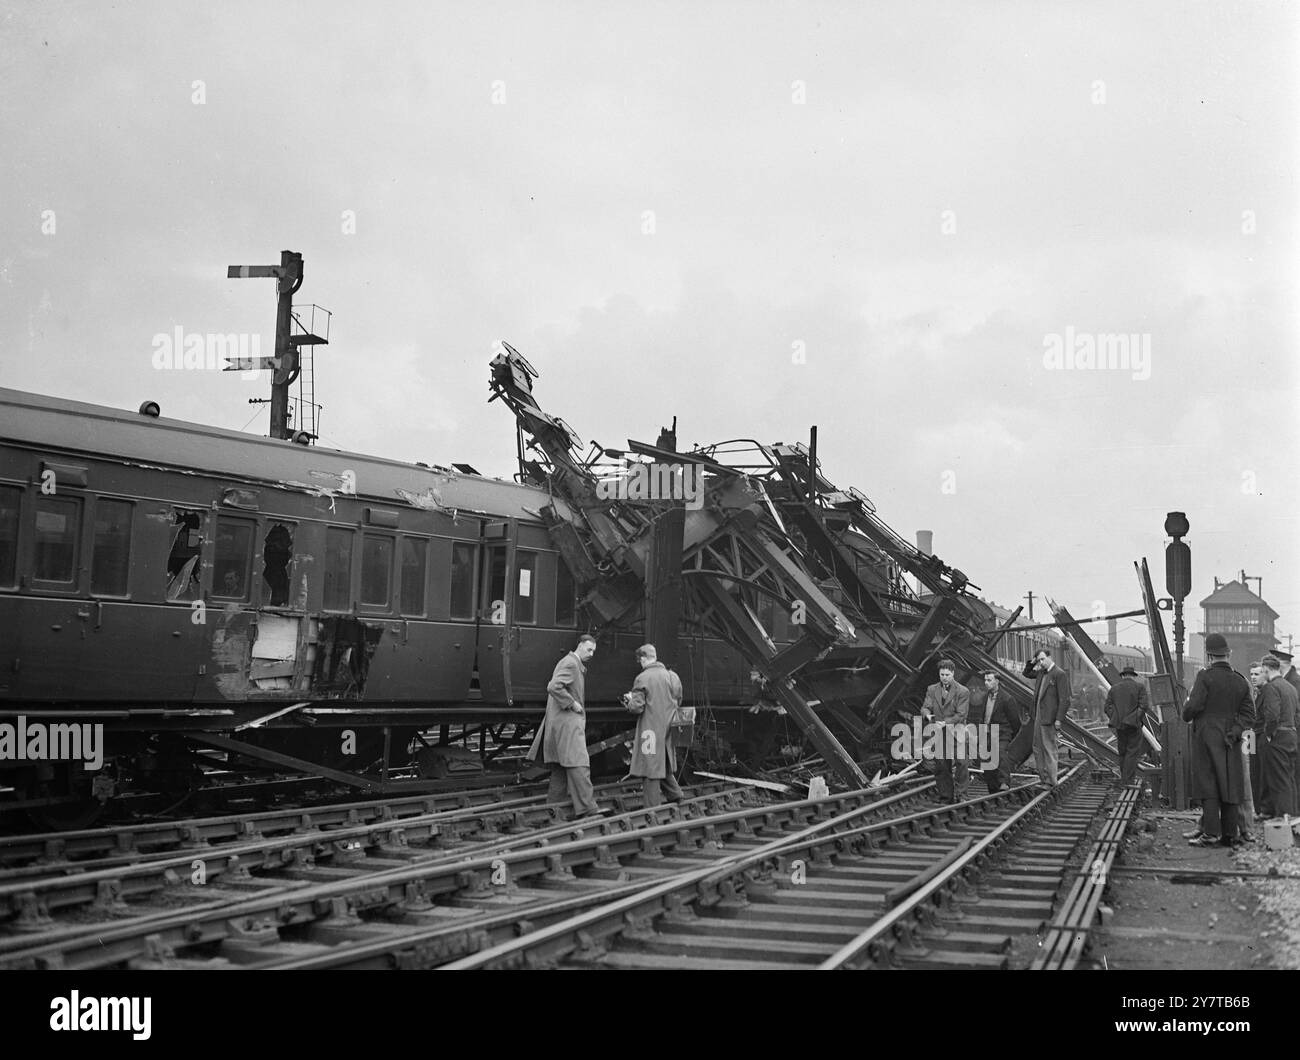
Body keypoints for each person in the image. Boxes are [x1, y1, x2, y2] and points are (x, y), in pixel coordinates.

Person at [1181, 633, 1254, 847]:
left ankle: (1211, 834)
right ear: (1228, 654)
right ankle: (1229, 835)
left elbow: (1193, 707)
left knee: (1208, 784)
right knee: (1230, 784)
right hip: (1232, 738)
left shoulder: (1205, 677)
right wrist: (1235, 731)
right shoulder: (1240, 680)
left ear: (1209, 655)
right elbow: (1249, 713)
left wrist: (1187, 713)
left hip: (1207, 736)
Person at [527, 634, 601, 819]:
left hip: (561, 724)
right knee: (579, 764)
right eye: (589, 649)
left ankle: (552, 811)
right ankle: (588, 809)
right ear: (580, 646)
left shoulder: (571, 663)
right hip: (568, 724)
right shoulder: (571, 663)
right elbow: (553, 686)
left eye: (593, 651)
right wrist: (572, 703)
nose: (591, 654)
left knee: (560, 770)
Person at [622, 644, 685, 807]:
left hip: (650, 731)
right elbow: (678, 700)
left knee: (649, 769)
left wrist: (629, 701)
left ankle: (652, 809)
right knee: (663, 763)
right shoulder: (672, 676)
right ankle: (676, 795)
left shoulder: (643, 678)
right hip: (669, 729)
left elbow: (637, 707)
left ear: (642, 659)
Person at [921, 659, 970, 803]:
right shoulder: (932, 689)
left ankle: (962, 795)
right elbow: (925, 706)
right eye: (942, 674)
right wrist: (927, 714)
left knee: (961, 763)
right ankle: (946, 796)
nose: (944, 677)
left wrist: (945, 722)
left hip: (957, 731)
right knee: (942, 765)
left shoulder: (962, 691)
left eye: (947, 674)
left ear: (953, 674)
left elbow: (961, 714)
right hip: (940, 733)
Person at [968, 670, 1019, 792]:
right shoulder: (985, 697)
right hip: (987, 732)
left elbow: (1015, 721)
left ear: (997, 681)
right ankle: (993, 789)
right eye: (985, 680)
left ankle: (1004, 782)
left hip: (1002, 732)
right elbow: (983, 716)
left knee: (1000, 753)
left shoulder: (1007, 699)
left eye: (989, 680)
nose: (986, 683)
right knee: (986, 760)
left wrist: (1011, 736)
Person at [1260, 655, 1298, 817]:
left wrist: (1269, 734)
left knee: (1279, 779)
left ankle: (1283, 817)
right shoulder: (1290, 687)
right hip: (1291, 734)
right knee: (1289, 778)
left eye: (1262, 671)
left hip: (1278, 736)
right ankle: (1293, 815)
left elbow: (1272, 716)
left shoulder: (1271, 687)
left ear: (1267, 669)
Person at [1029, 648, 1071, 787]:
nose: (1041, 662)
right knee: (1037, 748)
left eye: (1043, 659)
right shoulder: (1041, 672)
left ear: (1050, 657)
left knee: (1049, 749)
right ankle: (1044, 779)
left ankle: (1052, 780)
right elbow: (1027, 673)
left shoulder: (1059, 674)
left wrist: (1059, 719)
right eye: (1039, 660)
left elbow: (1064, 699)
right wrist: (1033, 661)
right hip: (1038, 717)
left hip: (1050, 718)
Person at [1104, 665, 1149, 787]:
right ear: (1133, 676)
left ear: (1123, 676)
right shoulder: (1140, 687)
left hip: (1119, 726)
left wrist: (1116, 718)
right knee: (1132, 753)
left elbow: (1107, 707)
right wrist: (1134, 718)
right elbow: (1144, 705)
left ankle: (1124, 779)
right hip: (1134, 726)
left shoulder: (1114, 689)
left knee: (1122, 752)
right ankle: (1128, 781)